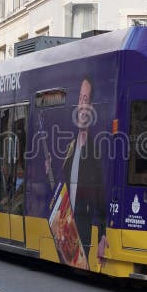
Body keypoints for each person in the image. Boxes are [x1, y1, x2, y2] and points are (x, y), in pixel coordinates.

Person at [45, 77, 105, 265]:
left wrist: (102, 236)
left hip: (82, 233)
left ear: (91, 108)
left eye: (85, 100)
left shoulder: (96, 151)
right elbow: (61, 191)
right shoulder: (70, 148)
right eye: (79, 99)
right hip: (65, 231)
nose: (81, 105)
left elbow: (101, 197)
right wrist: (49, 172)